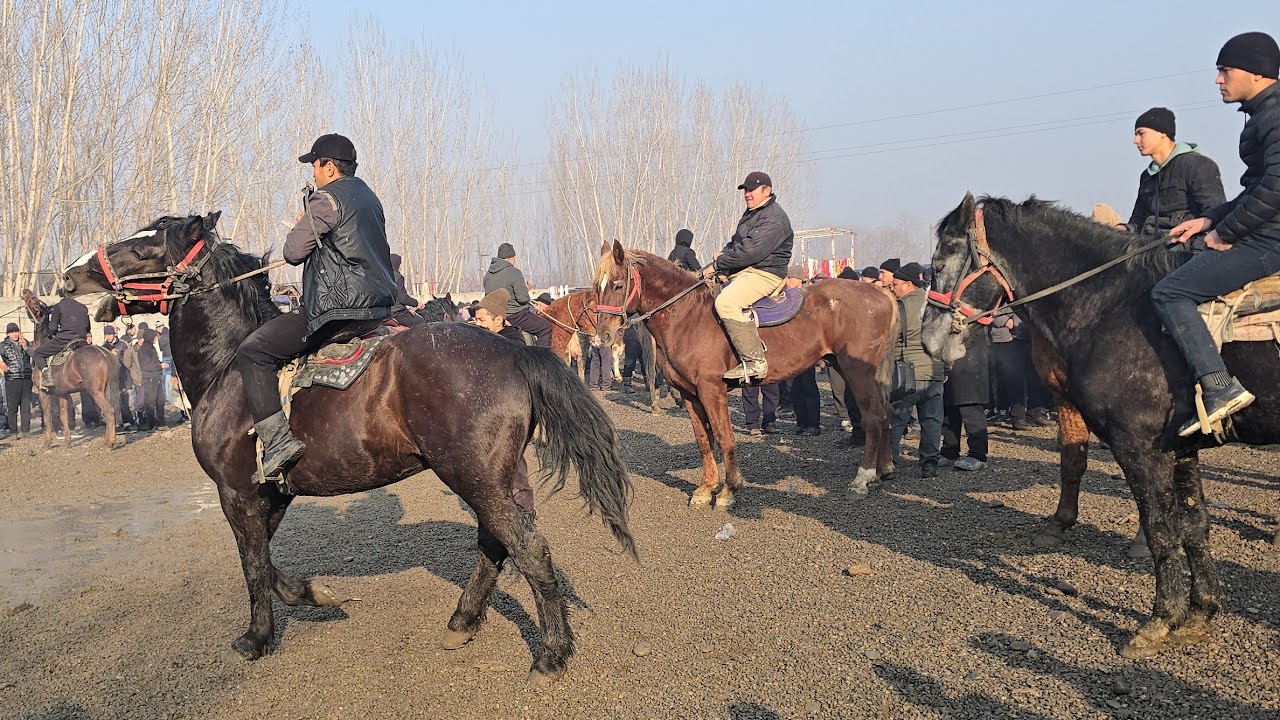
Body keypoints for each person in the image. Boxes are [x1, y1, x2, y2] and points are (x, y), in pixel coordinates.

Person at [236, 133, 398, 477]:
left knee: (253, 351)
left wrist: (304, 219)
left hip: (338, 309)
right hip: (377, 308)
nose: (312, 171)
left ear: (329, 166)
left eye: (314, 164)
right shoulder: (369, 197)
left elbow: (293, 253)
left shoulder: (325, 199)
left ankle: (278, 443)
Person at [1152, 32, 1280, 435]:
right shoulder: (1264, 114)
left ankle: (1218, 387)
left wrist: (1226, 232)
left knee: (1170, 292)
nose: (1218, 79)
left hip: (1270, 240)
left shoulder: (1275, 116)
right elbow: (1256, 188)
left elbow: (1277, 187)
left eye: (1226, 70)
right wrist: (1208, 220)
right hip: (1264, 230)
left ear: (1257, 72)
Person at [705, 171, 794, 380]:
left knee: (726, 303)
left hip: (765, 273)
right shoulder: (752, 213)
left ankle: (755, 362)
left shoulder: (774, 217)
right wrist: (721, 257)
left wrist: (719, 264)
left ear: (767, 191)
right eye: (745, 189)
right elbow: (736, 243)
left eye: (752, 189)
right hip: (747, 271)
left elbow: (751, 252)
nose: (747, 194)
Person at [1123, 107, 1226, 238]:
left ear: (1162, 133)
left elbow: (1216, 213)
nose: (1135, 140)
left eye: (1141, 133)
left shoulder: (1197, 165)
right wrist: (1120, 229)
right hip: (1149, 250)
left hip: (1186, 251)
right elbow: (1137, 222)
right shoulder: (1147, 176)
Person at [888, 262, 945, 477]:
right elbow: (946, 340)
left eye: (896, 284)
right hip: (934, 371)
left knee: (897, 419)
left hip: (907, 372)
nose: (893, 288)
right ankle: (929, 463)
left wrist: (891, 369)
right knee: (932, 420)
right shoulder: (936, 305)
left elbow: (894, 342)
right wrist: (945, 368)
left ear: (909, 285)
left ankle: (889, 461)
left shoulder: (900, 307)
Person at [942, 324, 990, 471]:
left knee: (972, 412)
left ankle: (978, 454)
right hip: (951, 365)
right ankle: (950, 450)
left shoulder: (976, 320)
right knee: (949, 411)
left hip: (971, 366)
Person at [484, 243, 551, 348]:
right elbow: (523, 299)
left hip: (494, 316)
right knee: (545, 328)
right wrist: (525, 291)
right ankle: (540, 360)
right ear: (512, 258)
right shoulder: (514, 272)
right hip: (515, 315)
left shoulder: (488, 275)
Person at [30, 290, 90, 387]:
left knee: (38, 353)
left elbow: (52, 328)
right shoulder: (83, 307)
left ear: (61, 296)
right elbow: (87, 328)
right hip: (82, 339)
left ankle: (47, 376)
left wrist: (56, 333)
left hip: (65, 339)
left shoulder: (58, 306)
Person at [1, 323, 33, 439]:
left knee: (25, 406)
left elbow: (34, 354)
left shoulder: (26, 343)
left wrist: (26, 347)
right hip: (12, 378)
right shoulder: (3, 345)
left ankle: (25, 430)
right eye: (12, 332)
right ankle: (13, 431)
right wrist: (1, 364)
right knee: (12, 406)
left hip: (26, 378)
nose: (15, 334)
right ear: (8, 334)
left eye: (16, 331)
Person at [101, 326, 134, 429]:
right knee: (112, 400)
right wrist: (110, 355)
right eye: (106, 335)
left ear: (114, 334)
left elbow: (128, 363)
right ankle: (117, 422)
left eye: (109, 334)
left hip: (123, 376)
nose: (108, 337)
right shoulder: (104, 348)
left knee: (124, 399)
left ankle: (127, 421)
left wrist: (129, 383)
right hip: (110, 378)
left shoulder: (123, 344)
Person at [388, 253, 427, 328]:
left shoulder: (382, 275)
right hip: (397, 313)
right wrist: (416, 304)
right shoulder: (397, 277)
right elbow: (403, 298)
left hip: (383, 313)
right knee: (420, 322)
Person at [137, 328, 165, 429]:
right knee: (150, 402)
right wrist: (160, 366)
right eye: (154, 336)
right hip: (149, 379)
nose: (156, 338)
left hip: (156, 377)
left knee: (160, 401)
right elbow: (145, 366)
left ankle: (161, 423)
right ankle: (151, 424)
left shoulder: (151, 348)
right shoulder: (143, 350)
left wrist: (160, 364)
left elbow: (154, 362)